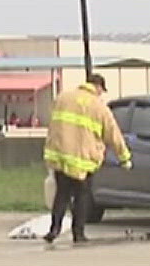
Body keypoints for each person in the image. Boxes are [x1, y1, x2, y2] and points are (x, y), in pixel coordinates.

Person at [42, 73, 130, 245]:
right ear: (97, 87)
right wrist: (124, 157)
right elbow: (113, 134)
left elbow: (53, 125)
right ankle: (78, 233)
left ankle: (54, 230)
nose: (101, 94)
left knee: (61, 195)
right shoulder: (98, 106)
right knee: (82, 197)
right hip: (82, 161)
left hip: (62, 157)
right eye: (101, 91)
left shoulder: (63, 98)